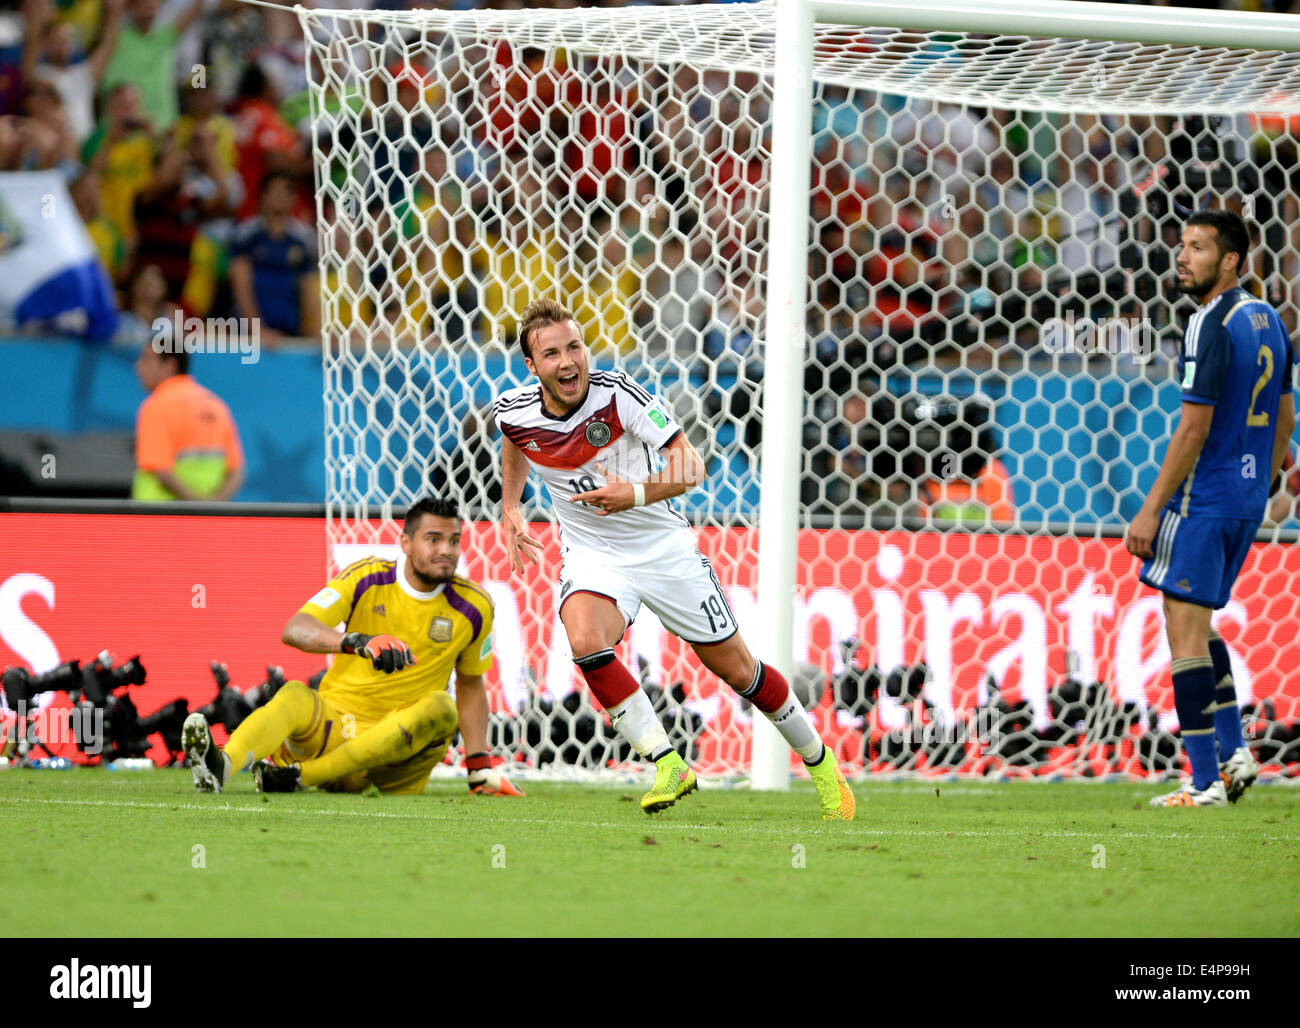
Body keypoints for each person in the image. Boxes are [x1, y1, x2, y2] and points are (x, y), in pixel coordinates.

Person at [494, 298, 855, 820]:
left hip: (664, 551)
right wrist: (510, 506)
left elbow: (693, 467)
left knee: (739, 671)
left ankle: (823, 767)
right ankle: (667, 763)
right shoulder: (513, 410)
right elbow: (516, 443)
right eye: (551, 354)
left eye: (574, 346)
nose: (568, 361)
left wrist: (635, 493)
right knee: (585, 640)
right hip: (594, 555)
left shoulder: (619, 396)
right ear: (532, 367)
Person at [181, 496, 523, 798]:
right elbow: (295, 629)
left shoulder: (474, 605)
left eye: (453, 541)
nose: (446, 551)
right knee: (295, 695)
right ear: (405, 543)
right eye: (433, 540)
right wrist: (357, 642)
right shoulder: (366, 578)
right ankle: (222, 765)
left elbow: (470, 682)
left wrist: (479, 767)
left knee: (442, 707)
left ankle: (298, 779)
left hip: (391, 763)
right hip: (331, 731)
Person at [1125, 209, 1295, 807]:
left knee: (1183, 632)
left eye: (1197, 247)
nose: (1182, 256)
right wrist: (1265, 485)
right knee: (1198, 623)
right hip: (1244, 500)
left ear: (1231, 261)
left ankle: (1203, 783)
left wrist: (1151, 509)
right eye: (1181, 245)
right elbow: (1285, 421)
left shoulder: (1209, 323)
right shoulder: (1271, 320)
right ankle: (1234, 753)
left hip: (1207, 497)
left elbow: (1192, 429)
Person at [132, 342, 244, 500]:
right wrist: (213, 506)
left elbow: (161, 471)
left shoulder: (156, 405)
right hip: (205, 521)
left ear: (170, 365)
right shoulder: (216, 405)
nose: (138, 366)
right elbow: (237, 472)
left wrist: (198, 506)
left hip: (158, 519)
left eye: (147, 358)